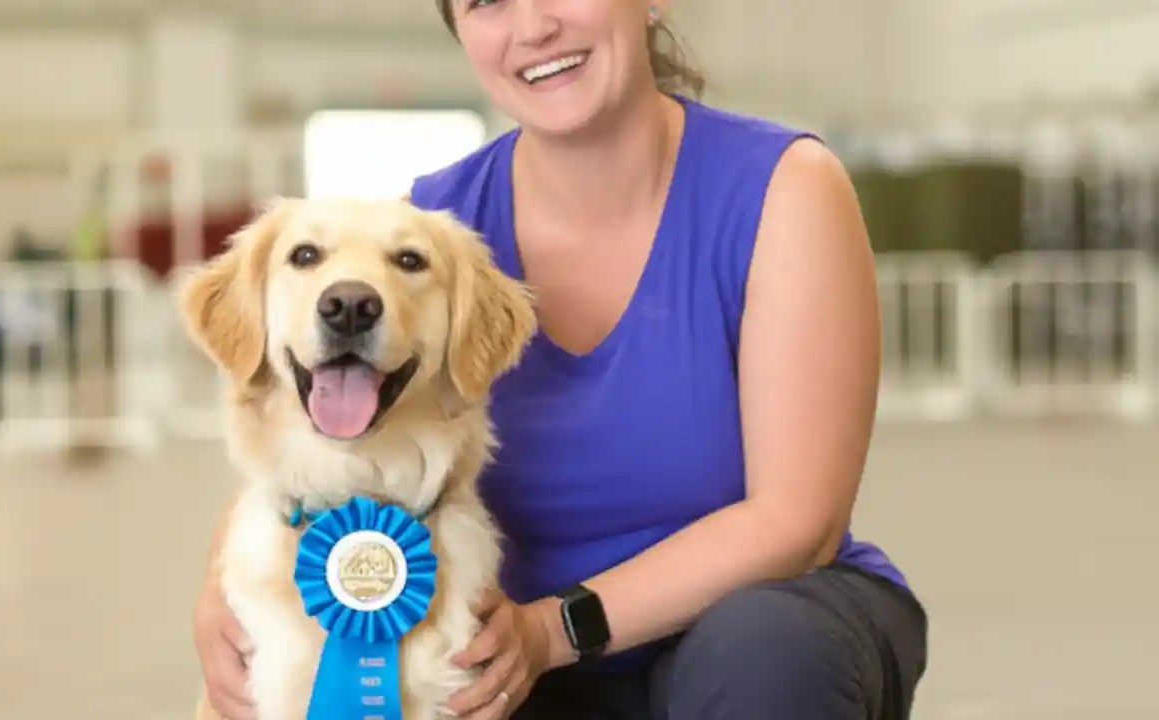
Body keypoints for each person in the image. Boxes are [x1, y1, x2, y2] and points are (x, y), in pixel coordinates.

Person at [193, 1, 929, 718]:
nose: (533, 26)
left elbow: (798, 520)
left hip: (746, 631)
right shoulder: (425, 235)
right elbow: (321, 435)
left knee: (763, 650)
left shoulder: (782, 187)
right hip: (512, 661)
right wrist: (220, 588)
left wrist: (554, 630)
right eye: (487, 2)